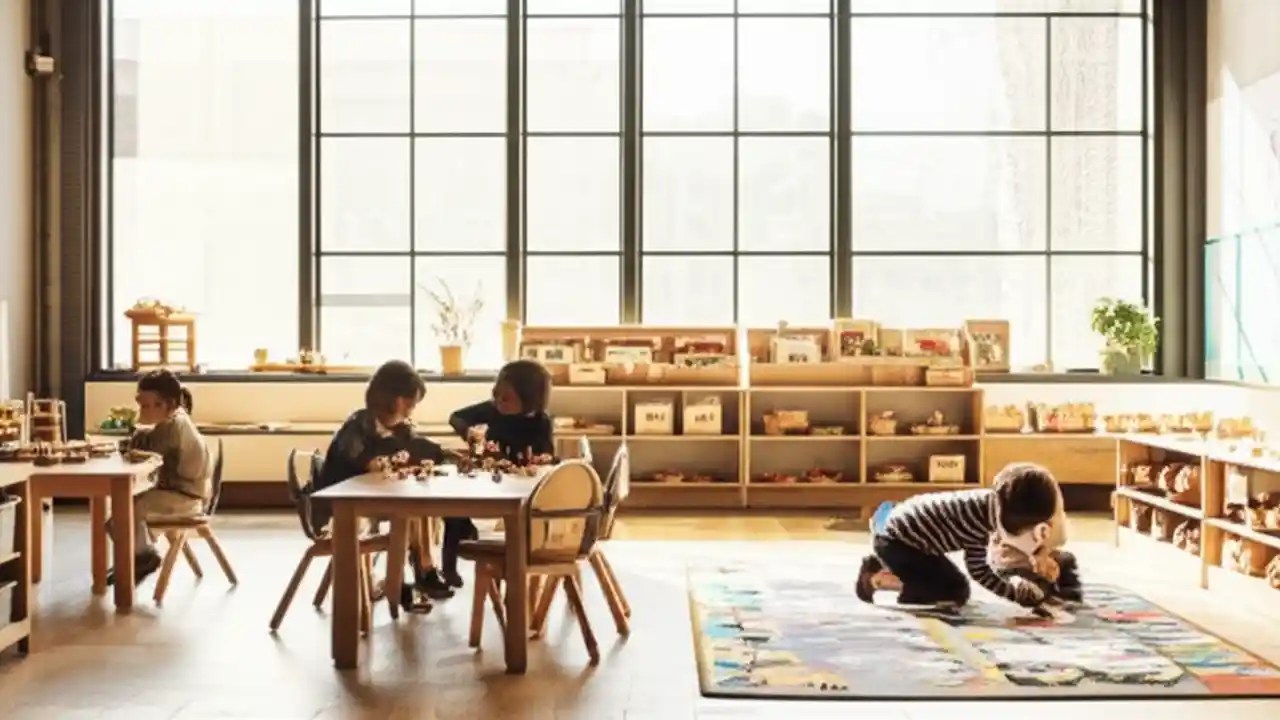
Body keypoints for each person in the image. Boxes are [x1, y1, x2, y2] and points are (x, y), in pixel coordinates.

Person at [312, 360, 453, 601]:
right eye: (409, 403)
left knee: (421, 508)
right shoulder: (356, 427)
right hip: (342, 510)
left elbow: (419, 446)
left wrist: (448, 454)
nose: (411, 410)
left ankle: (424, 569)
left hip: (374, 502)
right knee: (405, 511)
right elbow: (362, 461)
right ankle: (388, 583)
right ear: (392, 399)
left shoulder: (400, 429)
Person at [855, 462, 1069, 610]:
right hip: (899, 544)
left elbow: (1001, 554)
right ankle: (878, 578)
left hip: (912, 538)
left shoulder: (988, 503)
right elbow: (980, 572)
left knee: (952, 584)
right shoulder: (978, 523)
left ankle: (886, 564)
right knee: (951, 592)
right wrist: (1014, 593)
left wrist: (1039, 555)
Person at [441, 360, 554, 587]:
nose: (499, 402)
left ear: (529, 399)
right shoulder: (494, 409)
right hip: (488, 479)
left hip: (521, 488)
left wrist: (537, 462)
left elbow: (547, 458)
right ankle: (449, 566)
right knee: (452, 507)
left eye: (506, 398)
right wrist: (468, 431)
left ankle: (515, 564)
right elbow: (456, 417)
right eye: (496, 395)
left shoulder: (541, 422)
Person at [107, 370, 210, 585]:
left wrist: (134, 433)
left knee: (126, 510)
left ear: (168, 404)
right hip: (176, 491)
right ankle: (137, 556)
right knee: (117, 517)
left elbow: (145, 447)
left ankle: (143, 557)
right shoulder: (172, 421)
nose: (141, 410)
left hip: (185, 496)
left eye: (146, 405)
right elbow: (146, 441)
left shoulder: (174, 426)